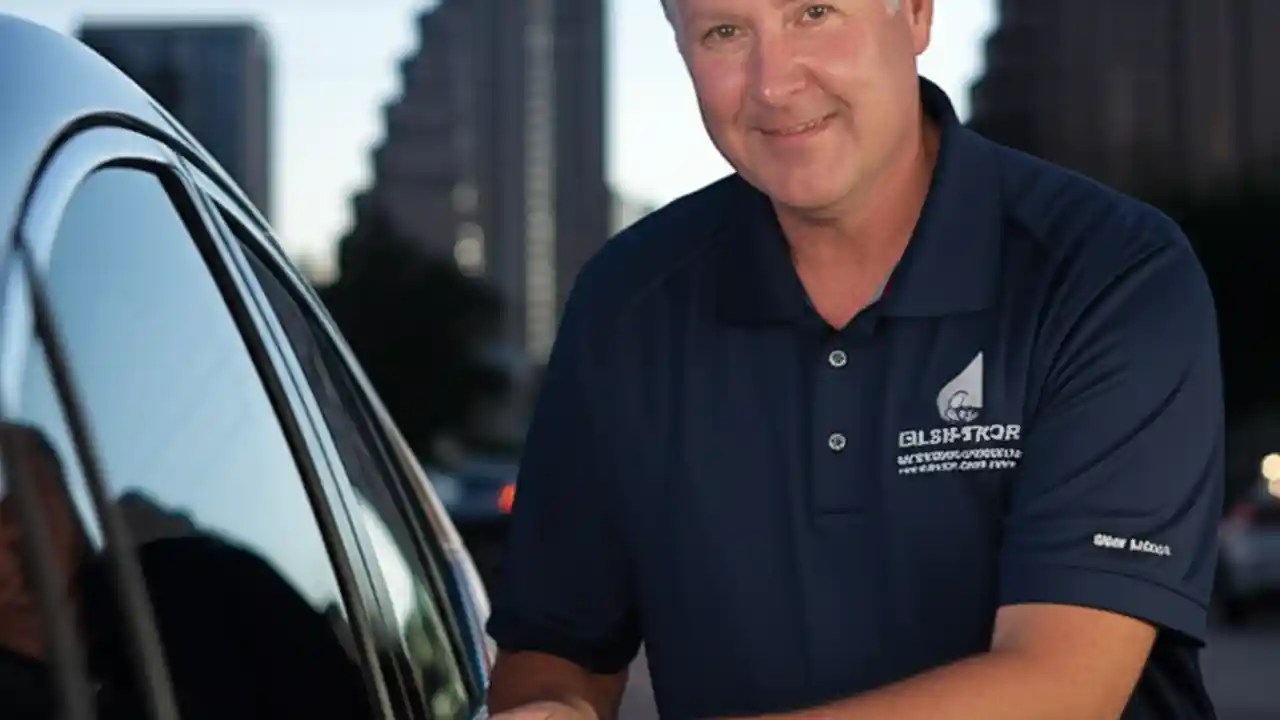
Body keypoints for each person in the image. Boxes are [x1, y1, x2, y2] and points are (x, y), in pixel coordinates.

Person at [486, 0, 1224, 718]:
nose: (774, 83)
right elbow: (555, 648)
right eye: (724, 31)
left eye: (814, 14)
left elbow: (1063, 688)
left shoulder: (1110, 271)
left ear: (917, 14)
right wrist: (553, 706)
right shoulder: (625, 303)